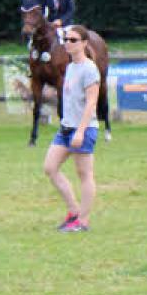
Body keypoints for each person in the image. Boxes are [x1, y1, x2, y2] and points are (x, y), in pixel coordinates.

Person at [43, 25, 99, 233]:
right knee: (50, 168)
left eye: (73, 40)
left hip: (82, 129)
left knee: (84, 174)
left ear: (84, 43)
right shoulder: (71, 66)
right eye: (66, 39)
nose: (68, 42)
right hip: (66, 128)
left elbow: (91, 103)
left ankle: (83, 221)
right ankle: (73, 210)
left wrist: (81, 131)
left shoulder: (89, 68)